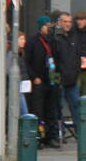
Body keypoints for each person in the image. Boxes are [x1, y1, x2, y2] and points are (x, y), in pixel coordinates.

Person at [24, 15, 61, 148]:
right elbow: (27, 62)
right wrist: (34, 77)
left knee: (52, 109)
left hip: (52, 79)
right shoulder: (33, 42)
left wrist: (57, 77)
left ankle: (52, 136)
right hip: (39, 80)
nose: (49, 28)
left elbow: (58, 58)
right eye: (47, 26)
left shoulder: (53, 41)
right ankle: (39, 137)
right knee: (38, 110)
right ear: (41, 27)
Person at [51, 13, 82, 136]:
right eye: (65, 21)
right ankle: (60, 132)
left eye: (70, 22)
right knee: (58, 107)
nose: (68, 24)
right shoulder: (55, 38)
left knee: (76, 105)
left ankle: (80, 132)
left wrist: (76, 71)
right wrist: (54, 78)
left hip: (72, 78)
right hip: (59, 78)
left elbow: (76, 56)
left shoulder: (73, 36)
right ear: (59, 22)